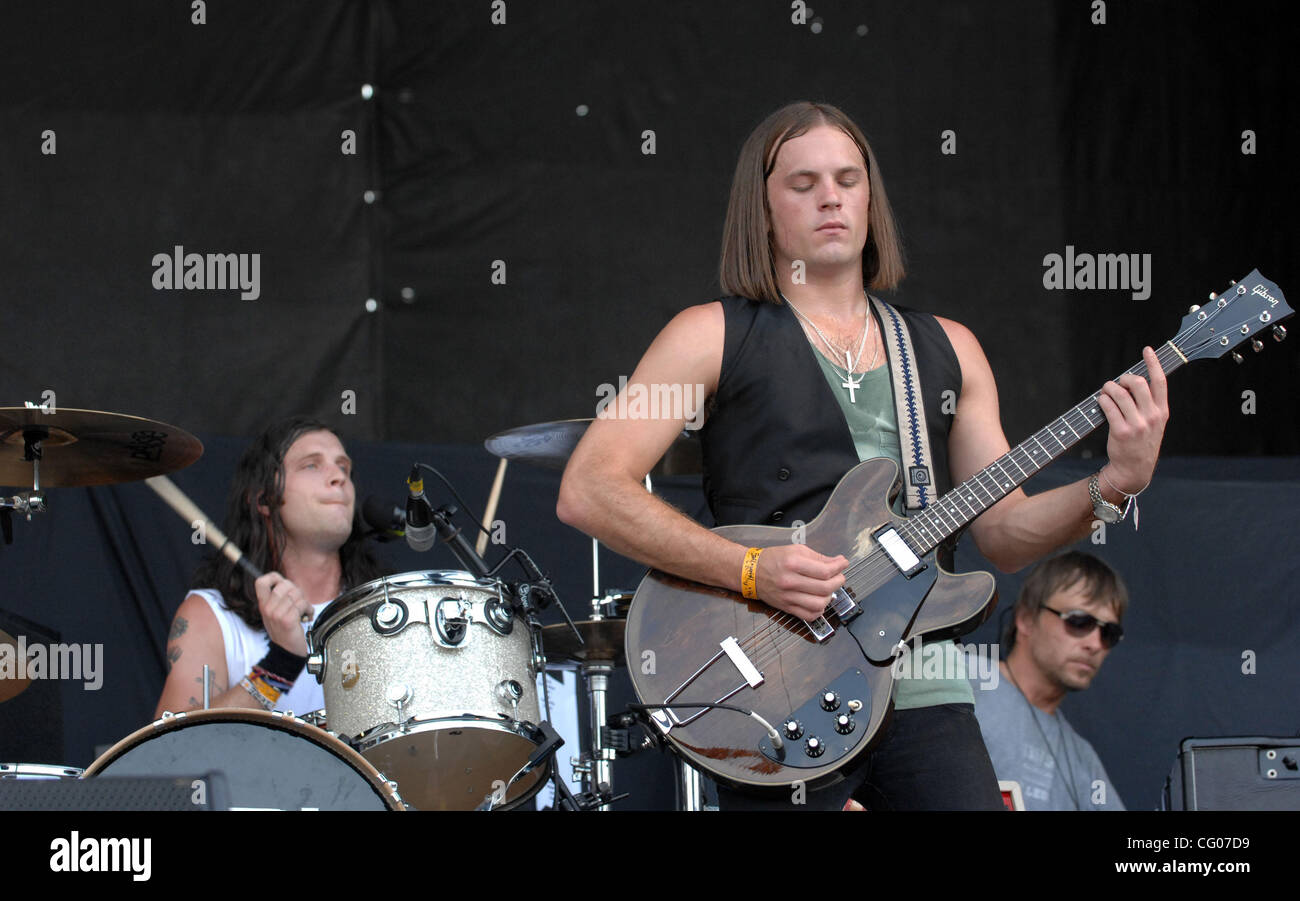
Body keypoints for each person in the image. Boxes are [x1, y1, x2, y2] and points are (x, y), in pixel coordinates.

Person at [556, 101, 1168, 810]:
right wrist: (752, 569)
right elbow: (591, 488)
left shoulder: (947, 348)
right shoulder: (710, 334)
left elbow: (1003, 534)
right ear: (761, 211)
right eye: (803, 182)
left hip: (922, 681)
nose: (830, 197)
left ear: (871, 199)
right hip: (777, 681)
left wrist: (1113, 485)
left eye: (848, 179)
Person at [154, 416, 382, 718]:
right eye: (311, 465)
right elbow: (170, 751)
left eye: (344, 467)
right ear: (265, 499)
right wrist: (280, 664)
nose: (338, 477)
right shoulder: (211, 616)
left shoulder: (387, 610)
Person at [973, 552, 1128, 810]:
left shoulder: (1083, 760)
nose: (1095, 643)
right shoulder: (957, 678)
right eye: (1079, 621)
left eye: (1109, 632)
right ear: (1026, 619)